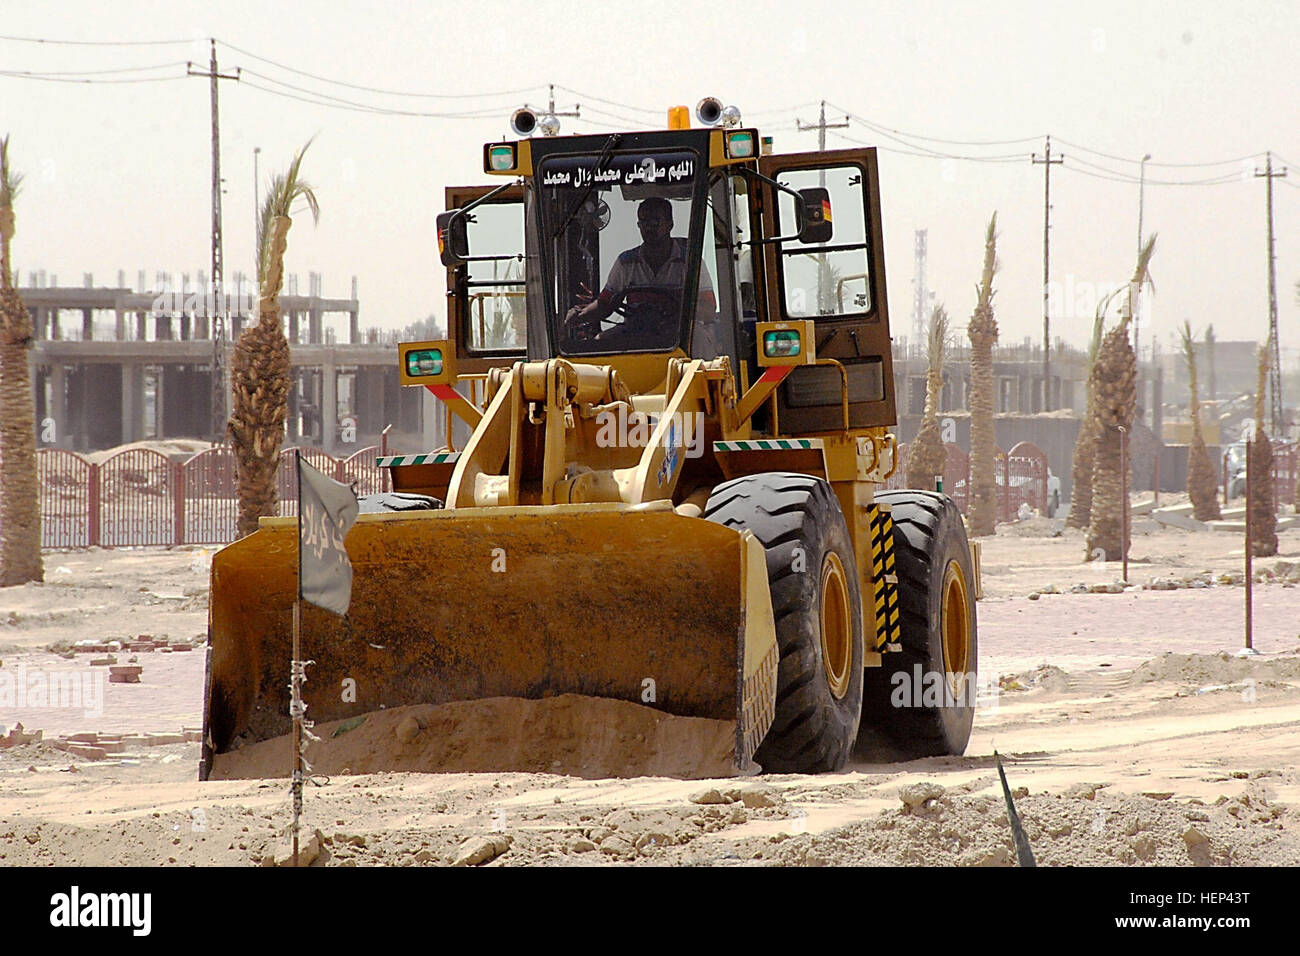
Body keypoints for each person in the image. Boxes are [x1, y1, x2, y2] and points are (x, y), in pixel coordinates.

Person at [565, 197, 714, 347]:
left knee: (698, 338)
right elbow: (604, 304)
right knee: (600, 341)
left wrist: (676, 310)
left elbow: (708, 309)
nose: (649, 228)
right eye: (643, 222)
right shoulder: (625, 263)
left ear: (670, 224)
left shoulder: (689, 261)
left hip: (678, 333)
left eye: (655, 222)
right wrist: (579, 316)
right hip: (636, 332)